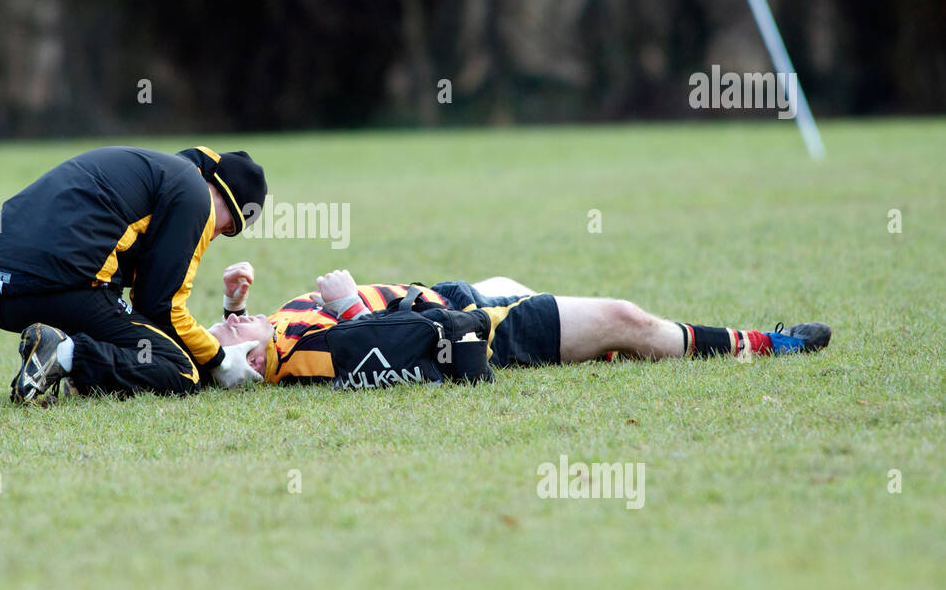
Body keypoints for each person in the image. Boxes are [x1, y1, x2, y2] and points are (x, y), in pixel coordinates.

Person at [207, 262, 832, 384]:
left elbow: (237, 353)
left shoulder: (272, 332)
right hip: (486, 327)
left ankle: (610, 347)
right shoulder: (301, 354)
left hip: (459, 291)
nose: (235, 320)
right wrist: (350, 306)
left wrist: (235, 308)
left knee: (609, 329)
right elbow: (392, 344)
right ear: (255, 360)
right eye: (232, 329)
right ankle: (771, 344)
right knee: (627, 318)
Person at [0, 145, 267, 401]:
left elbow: (147, 306)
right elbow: (161, 309)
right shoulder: (195, 196)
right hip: (52, 286)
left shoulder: (158, 174)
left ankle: (81, 376)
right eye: (227, 226)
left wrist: (233, 310)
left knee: (135, 332)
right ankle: (61, 354)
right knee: (181, 371)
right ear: (223, 194)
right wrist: (221, 361)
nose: (215, 234)